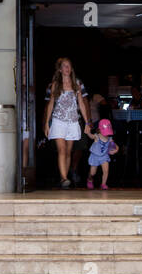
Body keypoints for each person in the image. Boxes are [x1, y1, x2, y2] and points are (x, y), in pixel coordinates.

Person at [42, 57, 90, 189]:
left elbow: (81, 103)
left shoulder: (76, 83)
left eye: (69, 66)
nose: (67, 68)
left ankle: (64, 178)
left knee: (69, 151)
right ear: (59, 69)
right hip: (58, 120)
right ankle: (64, 178)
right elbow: (50, 104)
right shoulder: (55, 85)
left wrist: (87, 122)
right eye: (64, 66)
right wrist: (47, 123)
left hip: (73, 121)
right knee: (62, 150)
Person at [83, 118, 120, 190]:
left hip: (104, 156)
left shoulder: (109, 139)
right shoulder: (97, 136)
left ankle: (103, 184)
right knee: (93, 172)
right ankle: (90, 179)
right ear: (99, 130)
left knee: (106, 171)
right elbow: (91, 136)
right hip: (95, 156)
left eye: (107, 132)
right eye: (105, 132)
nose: (106, 134)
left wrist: (116, 150)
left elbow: (116, 146)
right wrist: (88, 132)